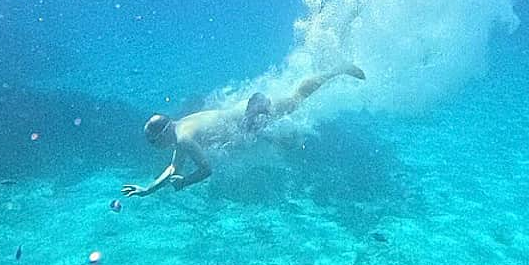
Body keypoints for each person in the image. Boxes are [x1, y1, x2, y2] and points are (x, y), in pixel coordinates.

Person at [121, 65, 366, 197]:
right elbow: (175, 167)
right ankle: (333, 72)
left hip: (249, 115)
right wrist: (147, 190)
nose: (154, 147)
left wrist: (185, 183)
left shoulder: (183, 138)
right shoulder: (180, 129)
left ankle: (337, 70)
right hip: (245, 118)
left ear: (163, 133)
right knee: (288, 118)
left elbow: (206, 169)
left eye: (153, 142)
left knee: (296, 98)